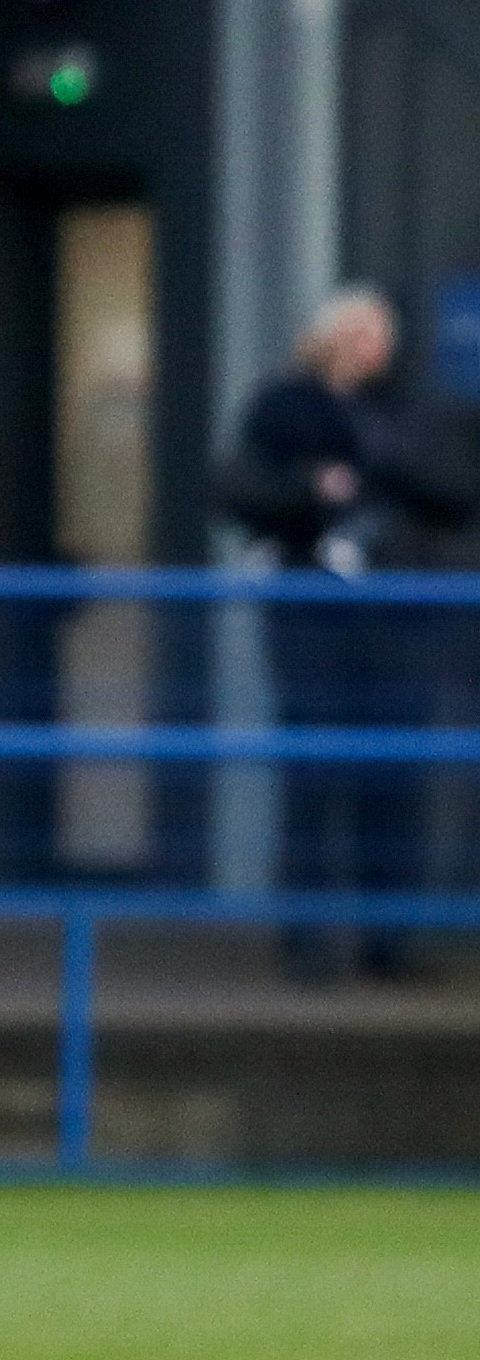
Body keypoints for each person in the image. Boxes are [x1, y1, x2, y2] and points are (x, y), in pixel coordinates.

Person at [219, 286, 474, 980]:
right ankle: (306, 943)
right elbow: (241, 491)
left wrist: (382, 472)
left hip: (399, 619)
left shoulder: (412, 414)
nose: (375, 346)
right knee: (312, 777)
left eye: (381, 333)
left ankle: (388, 943)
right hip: (311, 617)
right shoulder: (282, 408)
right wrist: (312, 490)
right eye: (360, 332)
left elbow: (455, 493)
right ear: (328, 335)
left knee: (394, 783)